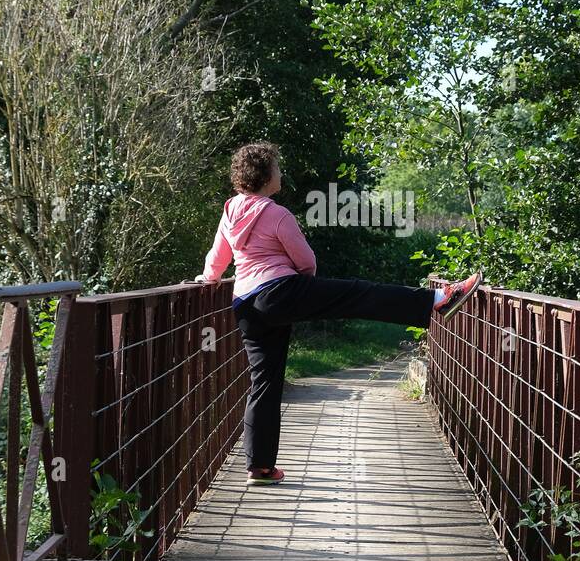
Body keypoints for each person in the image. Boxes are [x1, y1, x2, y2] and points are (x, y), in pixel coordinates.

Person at [196, 141, 481, 486]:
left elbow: (217, 258)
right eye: (277, 168)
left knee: (263, 382)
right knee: (358, 293)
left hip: (245, 303)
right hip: (281, 291)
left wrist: (208, 279)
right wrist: (301, 286)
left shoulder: (230, 211)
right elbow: (307, 262)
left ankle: (260, 467)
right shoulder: (277, 213)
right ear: (266, 175)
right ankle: (437, 299)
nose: (281, 173)